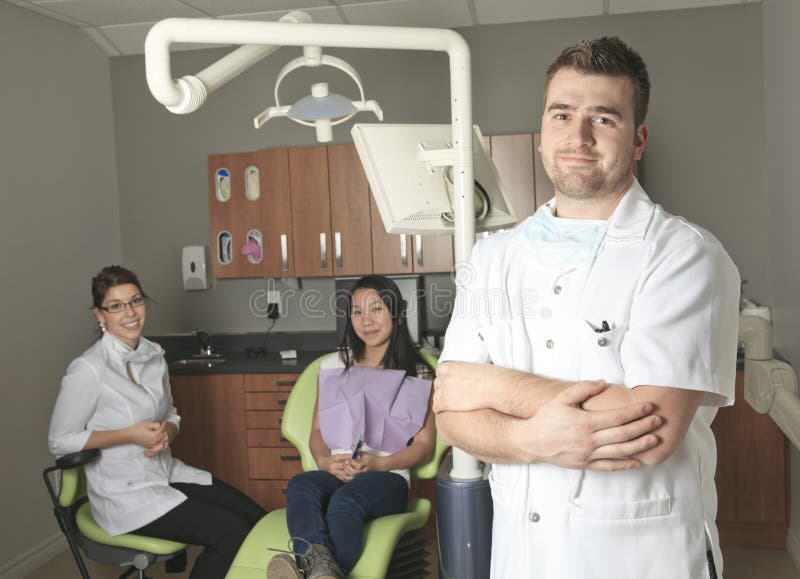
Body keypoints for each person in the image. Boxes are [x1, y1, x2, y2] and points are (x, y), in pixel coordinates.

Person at [433, 36, 740, 579]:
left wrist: (492, 388)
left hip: (644, 558)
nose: (578, 136)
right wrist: (528, 438)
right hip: (522, 559)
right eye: (562, 114)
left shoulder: (684, 255)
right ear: (542, 131)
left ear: (638, 138)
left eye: (604, 117)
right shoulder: (493, 257)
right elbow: (452, 417)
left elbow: (653, 429)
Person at [48, 265, 266, 579]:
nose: (130, 313)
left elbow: (171, 414)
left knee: (255, 519)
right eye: (116, 306)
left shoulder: (153, 355)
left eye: (135, 301)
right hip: (125, 496)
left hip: (165, 473)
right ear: (99, 314)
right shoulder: (88, 370)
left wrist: (167, 432)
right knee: (231, 534)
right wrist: (130, 435)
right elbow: (59, 441)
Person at [268, 275, 436, 579]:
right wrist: (324, 461)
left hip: (387, 477)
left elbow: (424, 447)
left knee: (345, 501)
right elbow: (317, 432)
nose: (366, 320)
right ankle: (320, 570)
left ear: (396, 315)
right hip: (339, 471)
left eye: (376, 309)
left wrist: (380, 463)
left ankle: (308, 571)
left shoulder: (417, 372)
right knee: (301, 485)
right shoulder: (333, 366)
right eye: (357, 312)